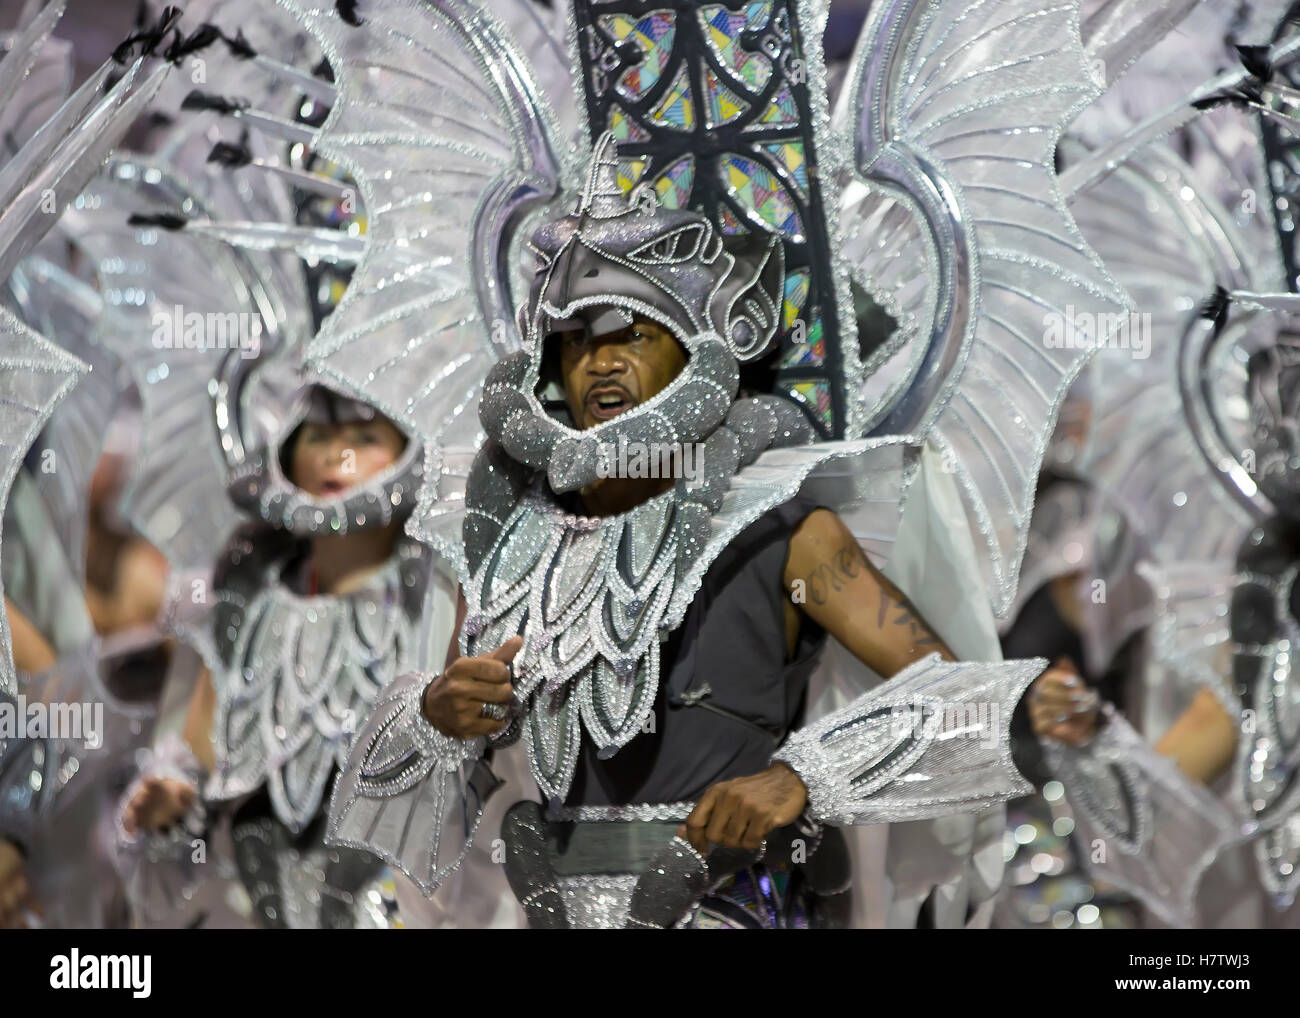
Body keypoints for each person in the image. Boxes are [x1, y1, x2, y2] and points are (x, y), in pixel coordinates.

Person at [116, 384, 433, 928]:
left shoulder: (437, 592)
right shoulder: (248, 591)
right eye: (318, 435)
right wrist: (171, 796)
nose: (339, 454)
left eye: (364, 436)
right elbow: (198, 757)